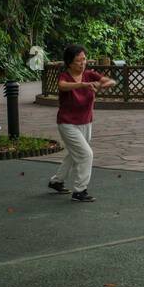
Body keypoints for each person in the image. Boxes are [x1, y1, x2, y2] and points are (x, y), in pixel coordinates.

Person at [50, 44, 115, 202]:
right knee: (86, 154)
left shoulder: (89, 74)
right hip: (67, 123)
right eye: (79, 61)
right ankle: (80, 191)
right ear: (70, 63)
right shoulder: (65, 76)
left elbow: (111, 81)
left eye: (84, 59)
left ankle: (56, 181)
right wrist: (83, 85)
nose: (83, 63)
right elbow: (62, 86)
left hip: (86, 122)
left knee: (74, 154)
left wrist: (100, 84)